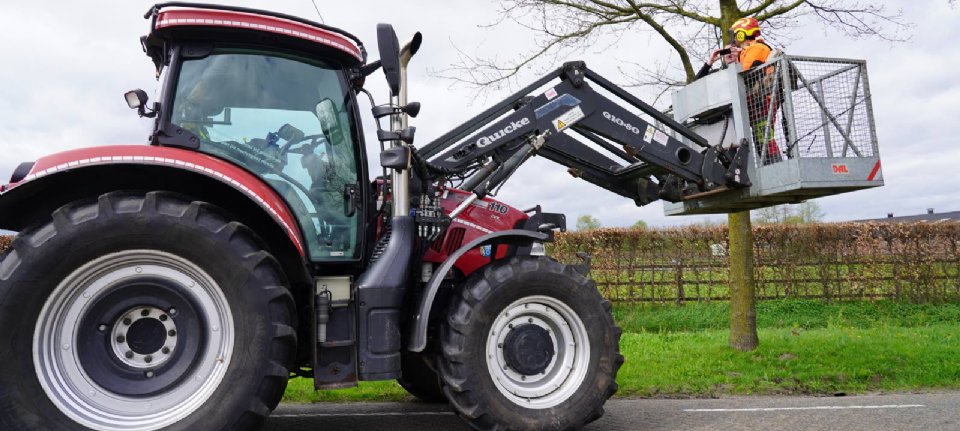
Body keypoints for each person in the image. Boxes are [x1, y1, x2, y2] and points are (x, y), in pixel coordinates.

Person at [730, 17, 784, 165]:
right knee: (760, 138)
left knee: (764, 137)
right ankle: (771, 166)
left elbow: (744, 73)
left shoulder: (756, 48)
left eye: (735, 34)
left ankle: (776, 167)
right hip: (759, 99)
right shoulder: (749, 50)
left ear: (741, 34)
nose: (733, 39)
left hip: (764, 99)